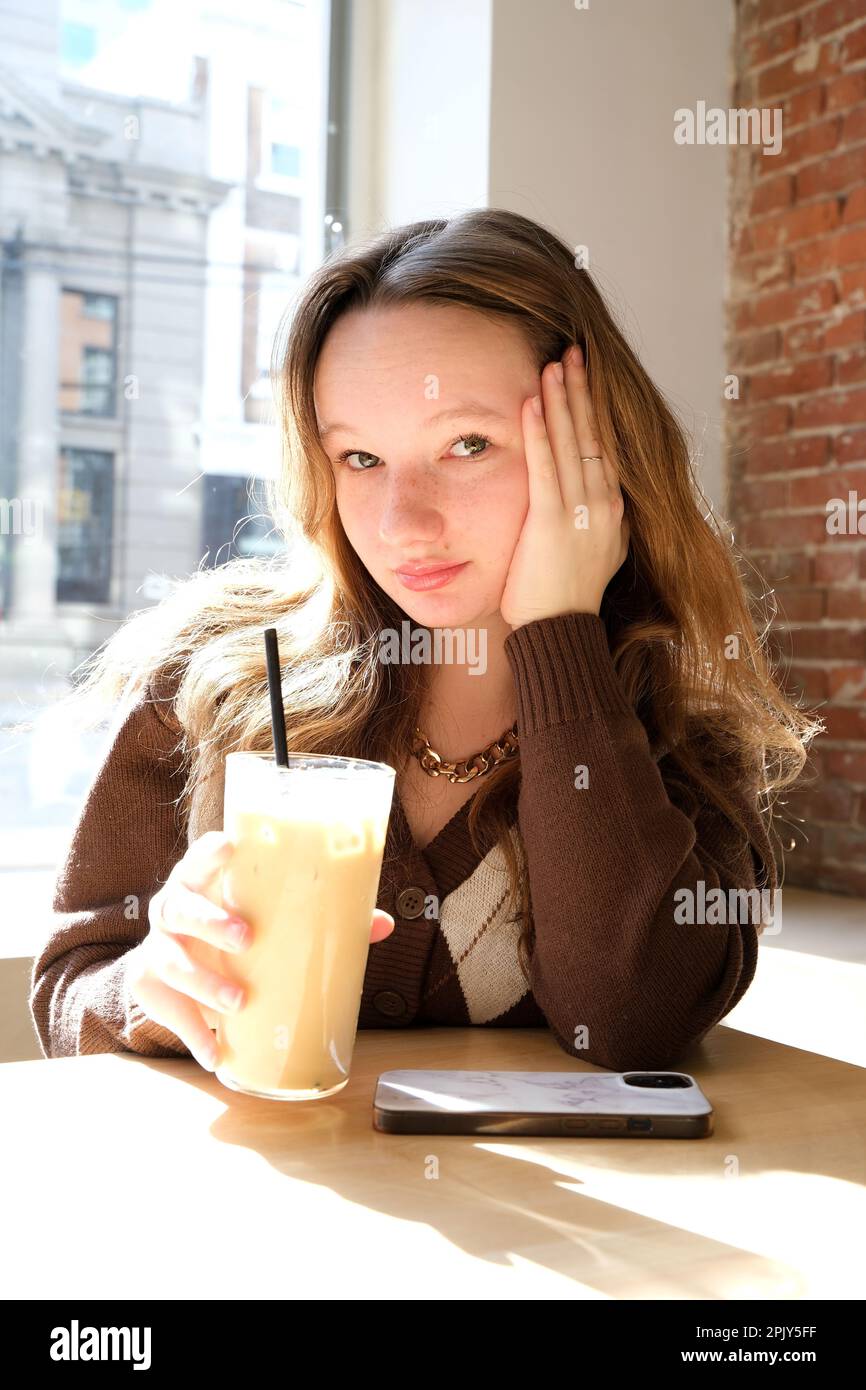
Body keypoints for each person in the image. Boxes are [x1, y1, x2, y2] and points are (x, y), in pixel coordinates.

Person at [28, 208, 822, 1075]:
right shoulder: (216, 677)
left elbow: (635, 1017)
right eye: (360, 459)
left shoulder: (679, 719)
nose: (404, 524)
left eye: (466, 445)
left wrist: (560, 634)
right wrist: (155, 985)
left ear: (599, 448)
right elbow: (73, 992)